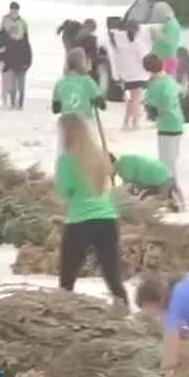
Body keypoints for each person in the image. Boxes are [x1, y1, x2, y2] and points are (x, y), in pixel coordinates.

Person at [54, 113, 129, 306]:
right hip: (107, 220)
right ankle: (125, 312)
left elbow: (63, 191)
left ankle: (63, 314)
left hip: (79, 222)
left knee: (67, 278)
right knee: (112, 276)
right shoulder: (100, 155)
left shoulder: (67, 160)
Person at [143, 53, 184, 178]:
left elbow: (151, 111)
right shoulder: (170, 80)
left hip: (166, 127)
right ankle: (172, 192)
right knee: (172, 161)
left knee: (166, 166)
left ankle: (173, 193)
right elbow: (181, 94)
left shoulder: (154, 86)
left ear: (147, 69)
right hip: (178, 125)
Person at [111, 152, 184, 211]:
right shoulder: (124, 159)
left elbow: (128, 191)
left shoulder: (123, 169)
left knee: (149, 202)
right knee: (144, 198)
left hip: (162, 182)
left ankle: (169, 202)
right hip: (168, 176)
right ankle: (172, 201)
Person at [111, 21, 149, 130]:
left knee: (130, 100)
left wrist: (119, 75)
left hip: (127, 78)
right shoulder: (140, 44)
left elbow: (118, 60)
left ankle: (126, 123)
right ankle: (135, 123)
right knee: (136, 100)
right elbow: (144, 60)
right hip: (139, 76)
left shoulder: (123, 45)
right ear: (138, 31)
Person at [0, 19, 31, 110]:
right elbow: (6, 54)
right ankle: (10, 103)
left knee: (21, 87)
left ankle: (20, 105)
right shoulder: (3, 37)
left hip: (22, 68)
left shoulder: (25, 41)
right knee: (11, 86)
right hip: (10, 66)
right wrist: (6, 66)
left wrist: (27, 65)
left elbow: (29, 55)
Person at [150, 1, 182, 83]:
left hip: (167, 59)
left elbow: (170, 42)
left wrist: (158, 34)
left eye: (158, 12)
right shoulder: (168, 23)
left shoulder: (172, 24)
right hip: (163, 58)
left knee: (167, 83)